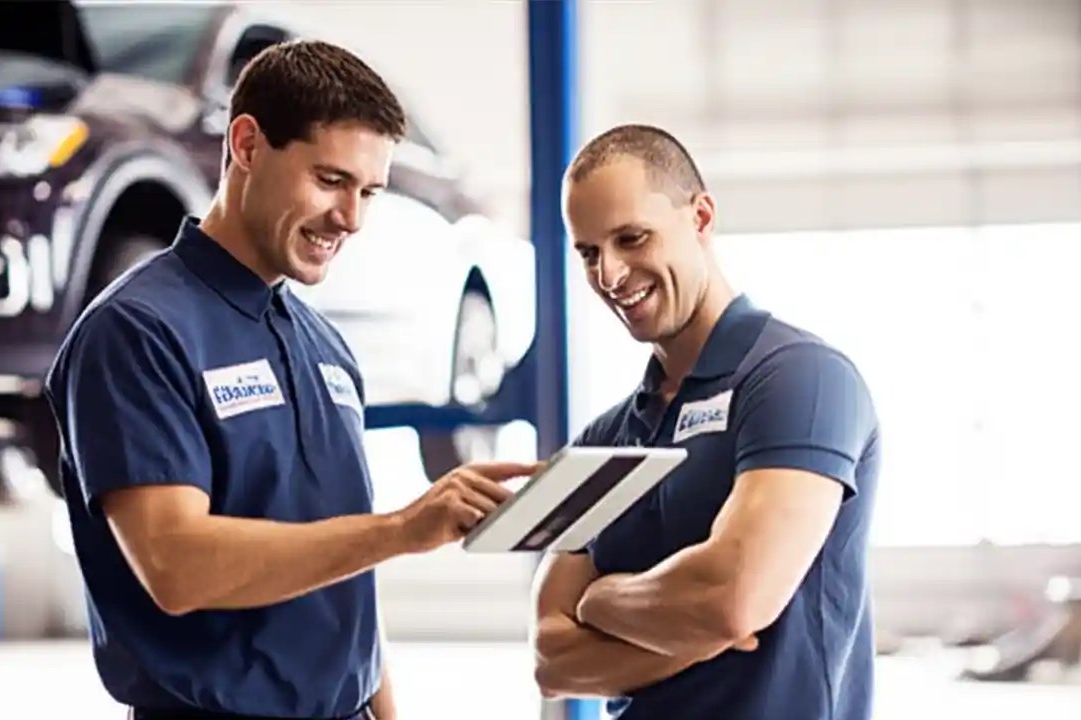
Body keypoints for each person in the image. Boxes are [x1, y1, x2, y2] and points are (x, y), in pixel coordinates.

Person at [44, 39, 537, 720]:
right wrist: (400, 529)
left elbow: (345, 587)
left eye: (369, 192)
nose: (352, 218)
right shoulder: (137, 332)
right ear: (246, 145)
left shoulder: (326, 350)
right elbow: (176, 565)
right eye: (331, 180)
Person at [531, 124, 882, 720]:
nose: (610, 275)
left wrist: (602, 600)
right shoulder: (604, 438)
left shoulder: (801, 380)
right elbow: (551, 661)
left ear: (700, 217)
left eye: (632, 238)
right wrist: (697, 628)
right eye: (588, 252)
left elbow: (733, 600)